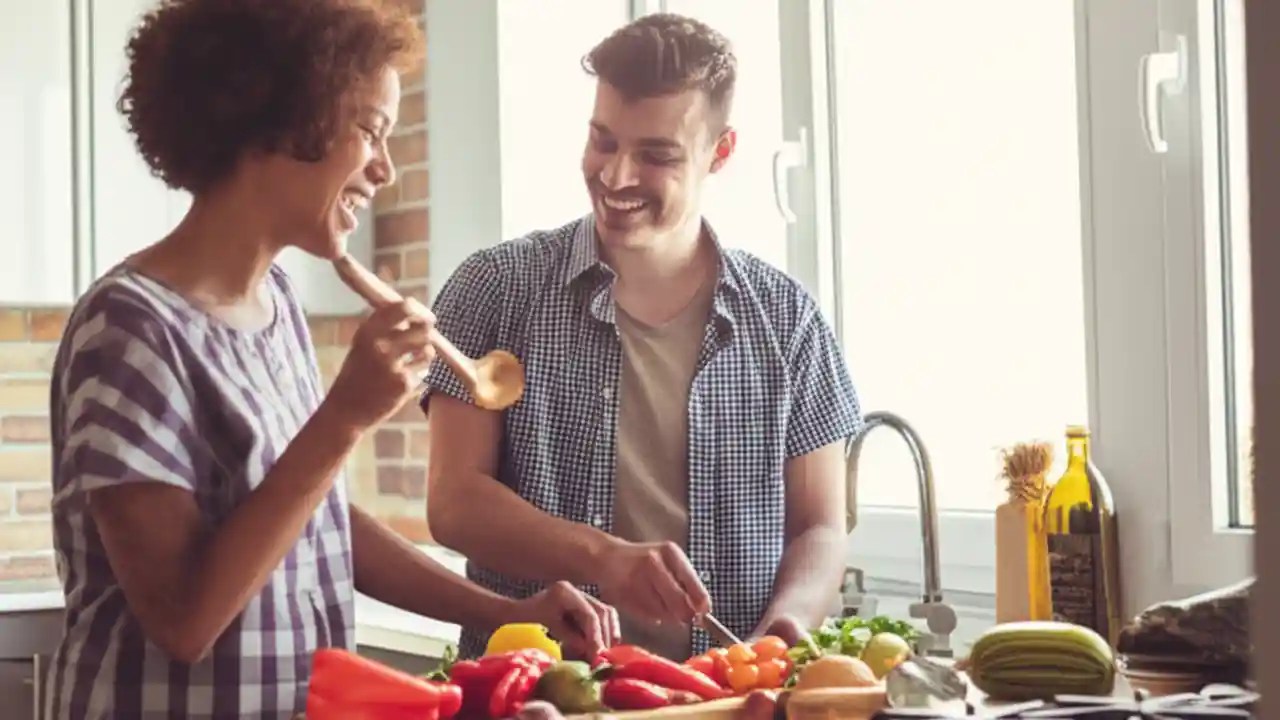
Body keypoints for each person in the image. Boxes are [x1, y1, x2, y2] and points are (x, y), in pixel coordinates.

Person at [44, 1, 615, 718]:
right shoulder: (128, 328)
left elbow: (313, 515)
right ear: (281, 118)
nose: (384, 170)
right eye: (372, 130)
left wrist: (504, 612)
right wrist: (345, 417)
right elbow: (184, 621)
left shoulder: (276, 301)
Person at [423, 12, 864, 662]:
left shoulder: (789, 320)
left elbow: (822, 525)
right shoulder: (495, 287)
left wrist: (784, 634)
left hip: (721, 698)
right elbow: (453, 504)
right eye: (603, 141)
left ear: (721, 151)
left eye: (656, 155)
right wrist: (606, 558)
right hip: (540, 693)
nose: (616, 175)